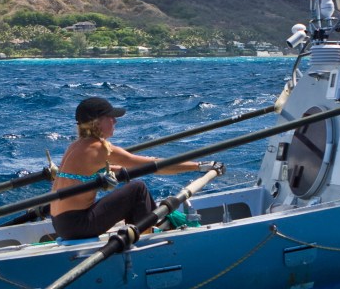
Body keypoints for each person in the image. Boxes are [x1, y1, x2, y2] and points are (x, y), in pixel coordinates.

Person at [50, 96, 216, 240]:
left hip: (61, 225)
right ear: (97, 123)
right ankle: (145, 238)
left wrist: (120, 172)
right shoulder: (98, 148)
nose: (115, 121)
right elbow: (154, 166)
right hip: (79, 225)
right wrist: (199, 166)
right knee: (138, 189)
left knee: (132, 190)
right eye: (111, 117)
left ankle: (149, 227)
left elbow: (108, 170)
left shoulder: (76, 146)